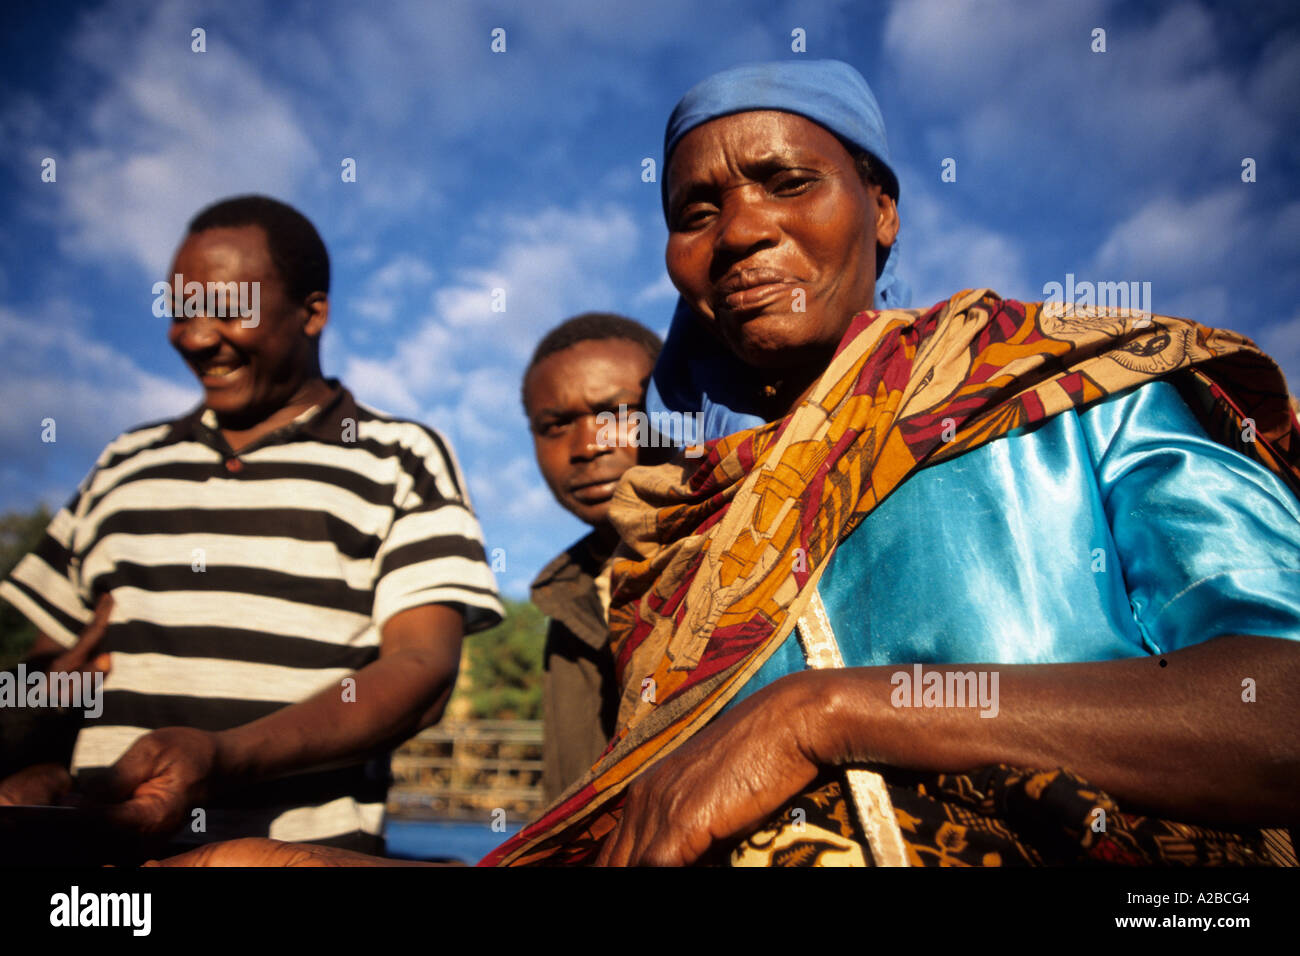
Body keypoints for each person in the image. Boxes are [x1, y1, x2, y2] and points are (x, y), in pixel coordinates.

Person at [480, 60, 1300, 867]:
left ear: (881, 210)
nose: (737, 230)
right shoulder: (679, 535)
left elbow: (1277, 709)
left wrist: (824, 714)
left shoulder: (1062, 394)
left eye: (789, 181)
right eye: (695, 211)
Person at [0, 195, 504, 856]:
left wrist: (222, 757)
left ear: (313, 313)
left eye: (228, 308)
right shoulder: (124, 461)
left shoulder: (399, 457)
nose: (196, 336)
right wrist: (29, 751)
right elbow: (49, 666)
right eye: (180, 309)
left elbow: (420, 670)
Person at [520, 313, 663, 802]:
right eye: (555, 425)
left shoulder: (747, 549)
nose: (585, 446)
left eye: (615, 414)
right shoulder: (567, 599)